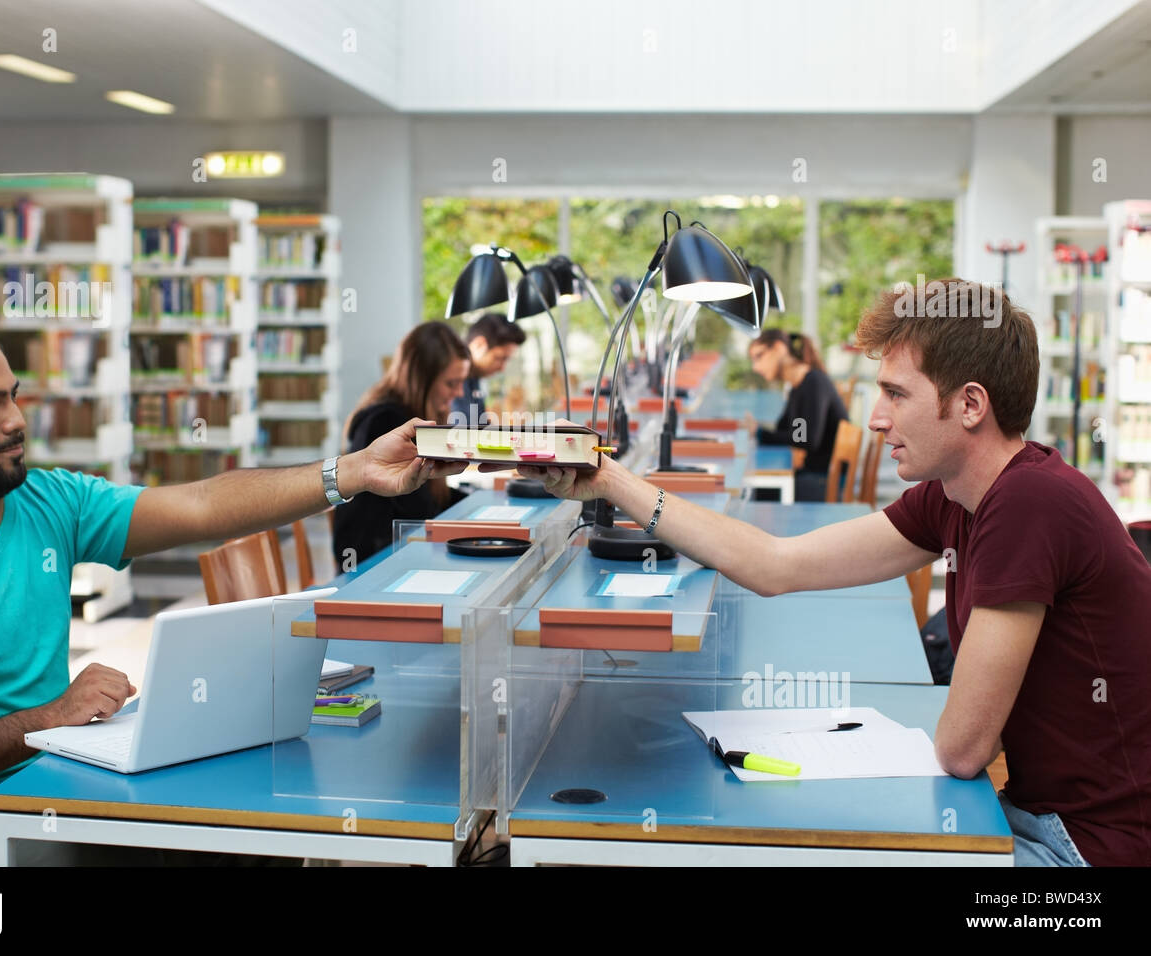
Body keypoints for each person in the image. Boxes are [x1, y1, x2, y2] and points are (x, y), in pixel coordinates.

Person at [513, 279, 1151, 867]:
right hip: (1033, 815)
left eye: (897, 394)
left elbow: (962, 749)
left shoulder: (1028, 503)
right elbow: (776, 564)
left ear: (970, 405)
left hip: (1088, 852)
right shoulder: (957, 494)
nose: (876, 418)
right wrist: (611, 480)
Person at [0, 320, 463, 866]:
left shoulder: (47, 502)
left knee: (258, 837)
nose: (15, 419)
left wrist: (351, 472)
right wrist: (46, 719)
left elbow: (198, 506)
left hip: (46, 780)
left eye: (13, 395)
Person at [333, 321, 472, 567]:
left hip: (396, 550)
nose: (460, 392)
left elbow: (428, 499)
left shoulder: (408, 413)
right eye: (451, 383)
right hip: (374, 562)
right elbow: (418, 509)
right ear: (422, 379)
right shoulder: (385, 421)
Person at [744, 329, 850, 501]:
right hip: (814, 475)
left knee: (762, 492)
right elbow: (785, 429)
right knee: (760, 491)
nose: (755, 367)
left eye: (759, 356)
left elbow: (805, 439)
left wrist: (760, 433)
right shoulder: (797, 386)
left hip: (823, 482)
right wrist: (761, 432)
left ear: (778, 348)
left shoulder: (813, 382)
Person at [449, 312, 526, 429]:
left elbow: (481, 429)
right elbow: (462, 434)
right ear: (479, 345)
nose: (502, 368)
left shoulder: (474, 381)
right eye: (500, 358)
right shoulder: (453, 380)